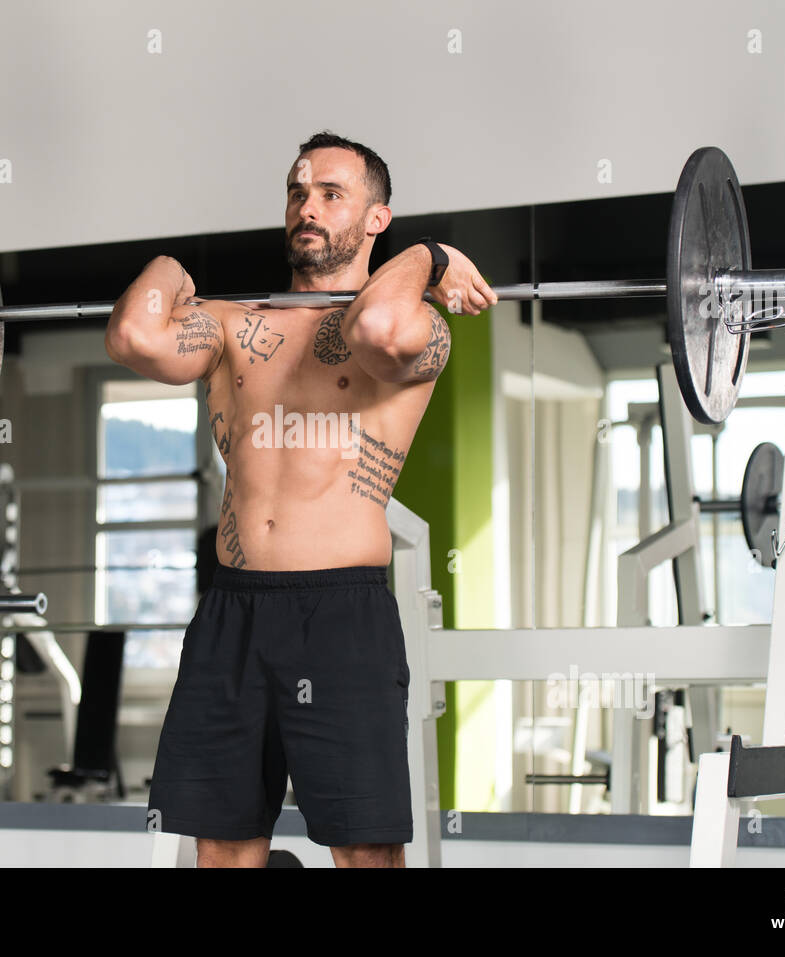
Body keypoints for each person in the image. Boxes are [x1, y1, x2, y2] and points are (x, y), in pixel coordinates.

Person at [106, 131, 496, 867]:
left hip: (342, 615)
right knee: (221, 848)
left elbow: (373, 325)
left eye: (329, 193)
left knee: (365, 854)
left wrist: (428, 257)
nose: (306, 207)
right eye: (296, 191)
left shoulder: (420, 328)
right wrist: (173, 267)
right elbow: (132, 334)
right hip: (233, 611)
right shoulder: (230, 324)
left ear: (378, 217)